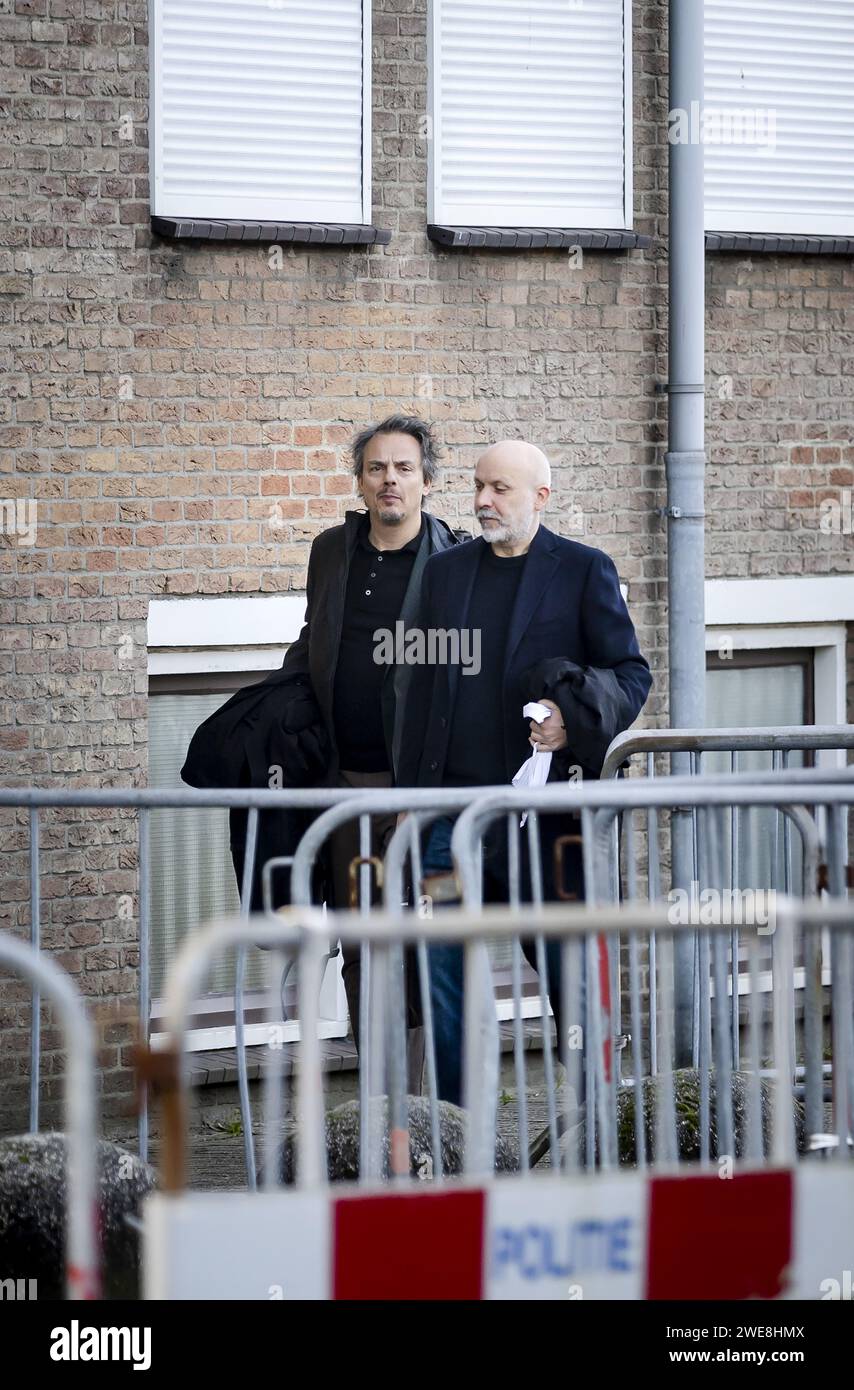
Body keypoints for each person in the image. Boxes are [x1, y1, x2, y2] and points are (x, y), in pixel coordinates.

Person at [396, 440, 653, 1105]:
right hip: (451, 819)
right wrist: (410, 799)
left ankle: (600, 1121)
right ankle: (457, 1132)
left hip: (547, 823)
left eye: (501, 489)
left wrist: (574, 722)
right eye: (479, 486)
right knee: (444, 976)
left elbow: (631, 673)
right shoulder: (448, 574)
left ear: (541, 495)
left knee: (570, 976)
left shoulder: (583, 570)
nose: (483, 500)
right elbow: (419, 689)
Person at [278, 414, 463, 1059]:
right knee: (360, 942)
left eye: (404, 469)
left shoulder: (455, 561)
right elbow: (315, 636)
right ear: (359, 482)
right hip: (345, 789)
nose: (391, 481)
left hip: (421, 793)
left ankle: (428, 1111)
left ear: (427, 482)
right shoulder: (331, 551)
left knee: (427, 942)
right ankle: (377, 1101)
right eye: (377, 468)